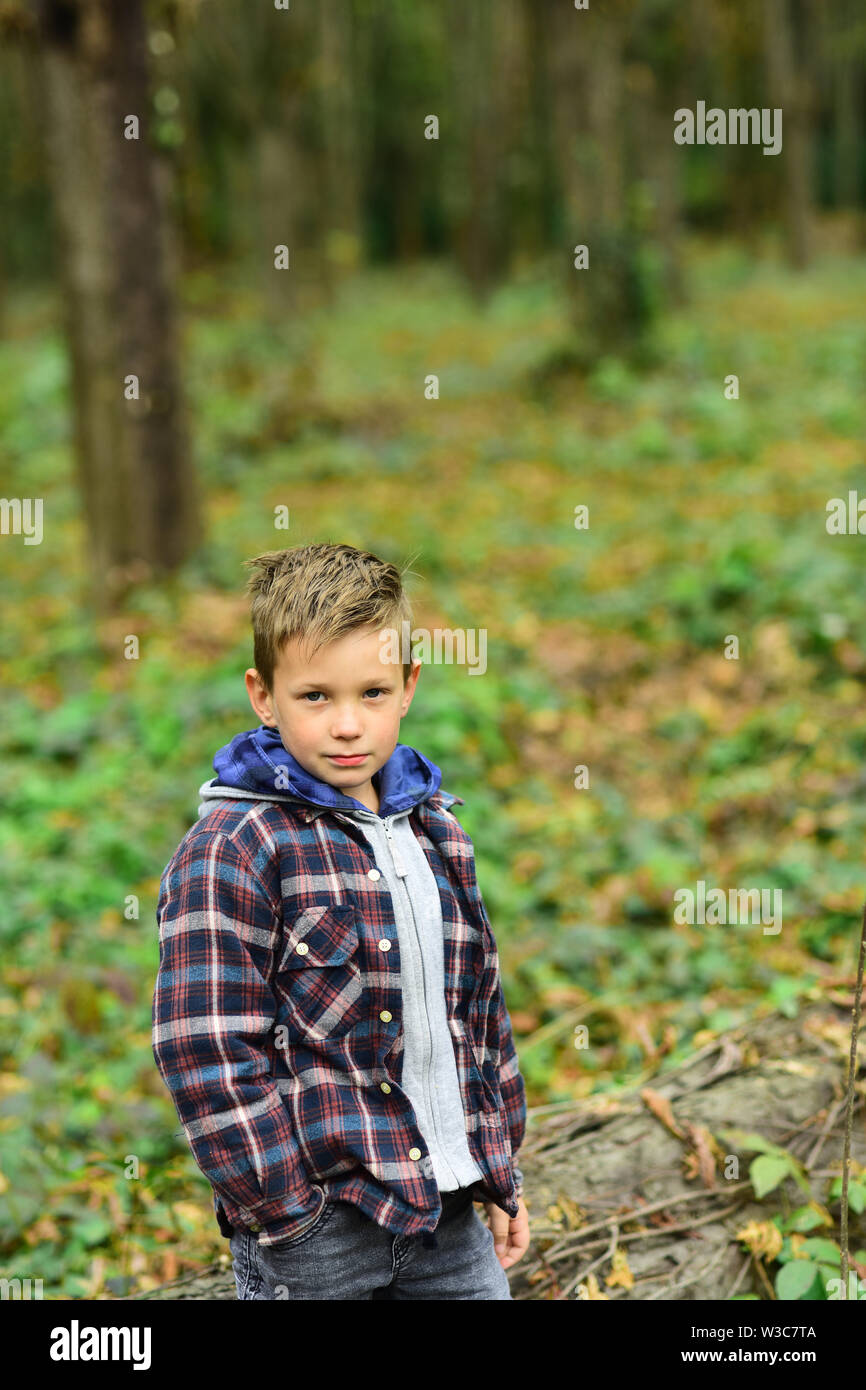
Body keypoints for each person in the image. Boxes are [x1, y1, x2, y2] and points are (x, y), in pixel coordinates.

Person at [152, 541, 530, 1299]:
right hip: (322, 1233)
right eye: (316, 697)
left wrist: (500, 1169)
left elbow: (477, 1014)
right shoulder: (237, 847)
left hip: (449, 1217)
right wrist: (284, 1210)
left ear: (409, 686)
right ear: (264, 696)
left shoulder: (436, 831)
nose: (349, 725)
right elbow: (204, 1046)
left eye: (373, 694)